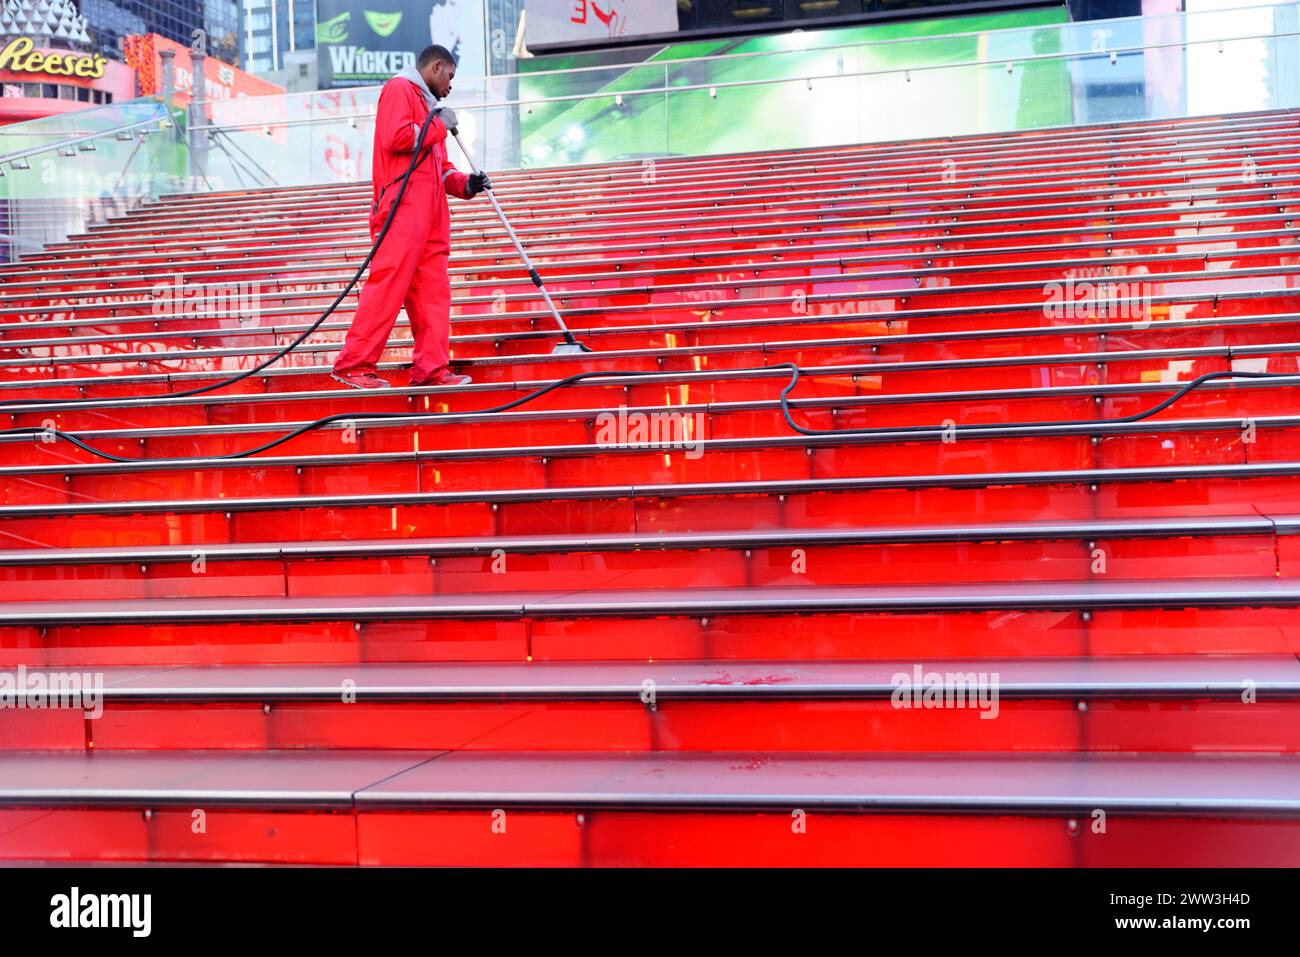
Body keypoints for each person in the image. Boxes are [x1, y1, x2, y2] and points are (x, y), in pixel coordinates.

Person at [331, 44, 490, 389]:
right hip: (401, 211)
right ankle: (354, 365)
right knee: (387, 286)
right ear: (436, 67)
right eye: (450, 76)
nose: (450, 85)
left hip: (430, 216)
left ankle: (431, 370)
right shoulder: (399, 89)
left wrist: (467, 184)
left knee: (434, 294)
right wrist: (437, 124)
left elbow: (441, 169)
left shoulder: (429, 107)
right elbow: (398, 137)